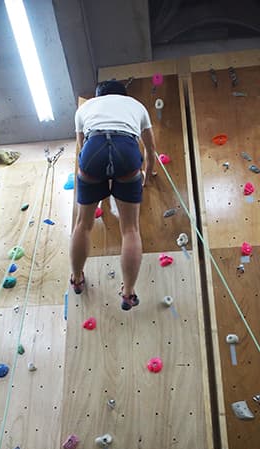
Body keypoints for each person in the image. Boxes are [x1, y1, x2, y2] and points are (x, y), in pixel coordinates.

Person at [70, 80, 156, 311]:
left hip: (93, 149)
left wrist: (96, 178)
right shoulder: (135, 105)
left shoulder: (85, 108)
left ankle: (77, 278)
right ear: (123, 94)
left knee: (83, 224)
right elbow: (150, 148)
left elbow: (82, 146)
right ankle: (128, 293)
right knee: (130, 229)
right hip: (126, 150)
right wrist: (147, 176)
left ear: (98, 96)